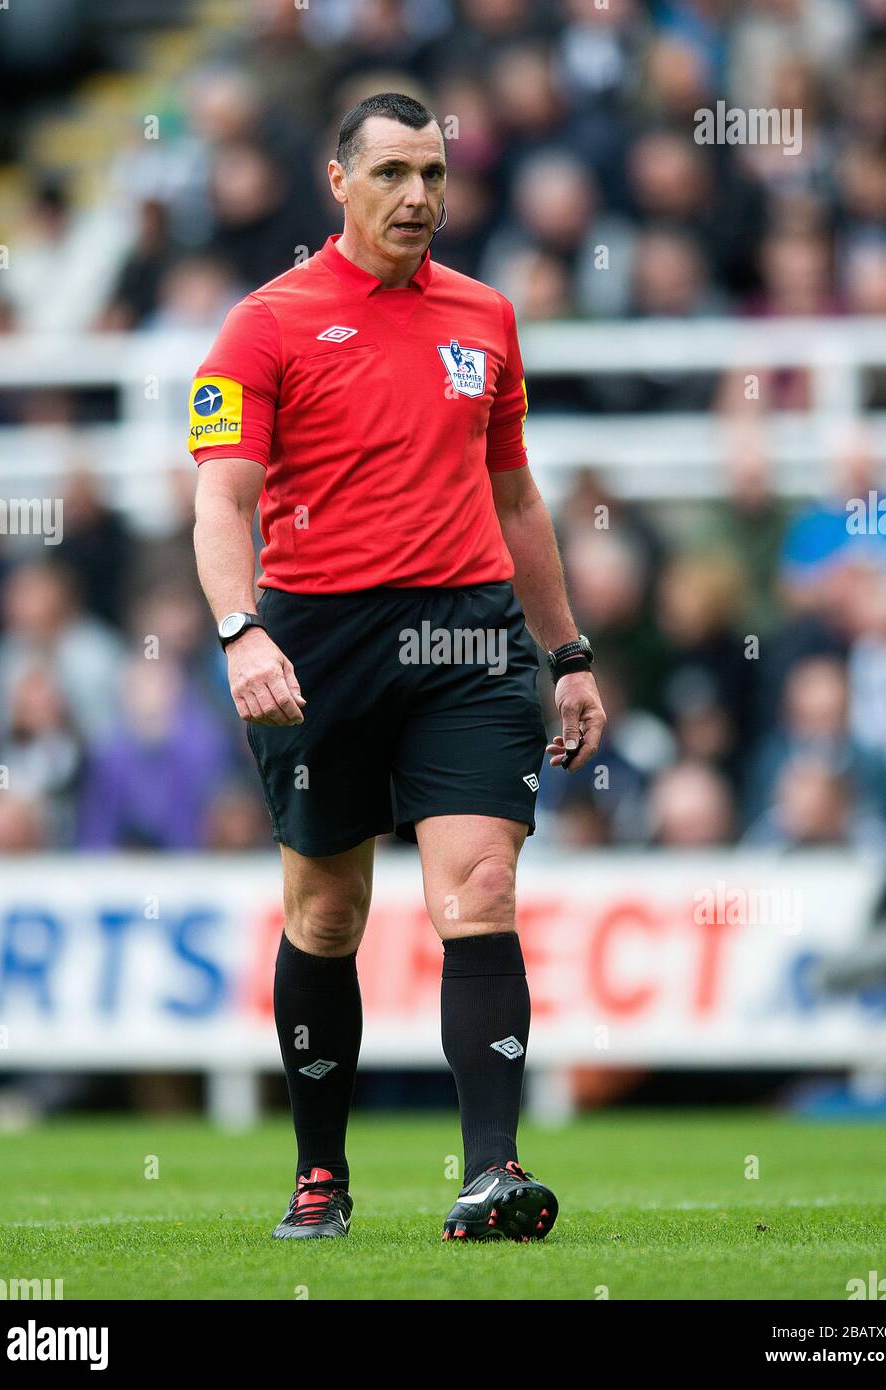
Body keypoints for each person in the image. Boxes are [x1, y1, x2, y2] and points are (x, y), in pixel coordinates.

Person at [190, 92, 605, 1242]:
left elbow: (517, 498)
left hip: (468, 635)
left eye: (433, 173)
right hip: (316, 639)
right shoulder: (263, 326)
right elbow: (220, 499)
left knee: (480, 889)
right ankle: (321, 1175)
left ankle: (492, 1172)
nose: (418, 195)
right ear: (339, 182)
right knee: (326, 913)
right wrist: (241, 628)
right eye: (392, 175)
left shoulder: (487, 317)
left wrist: (567, 652)